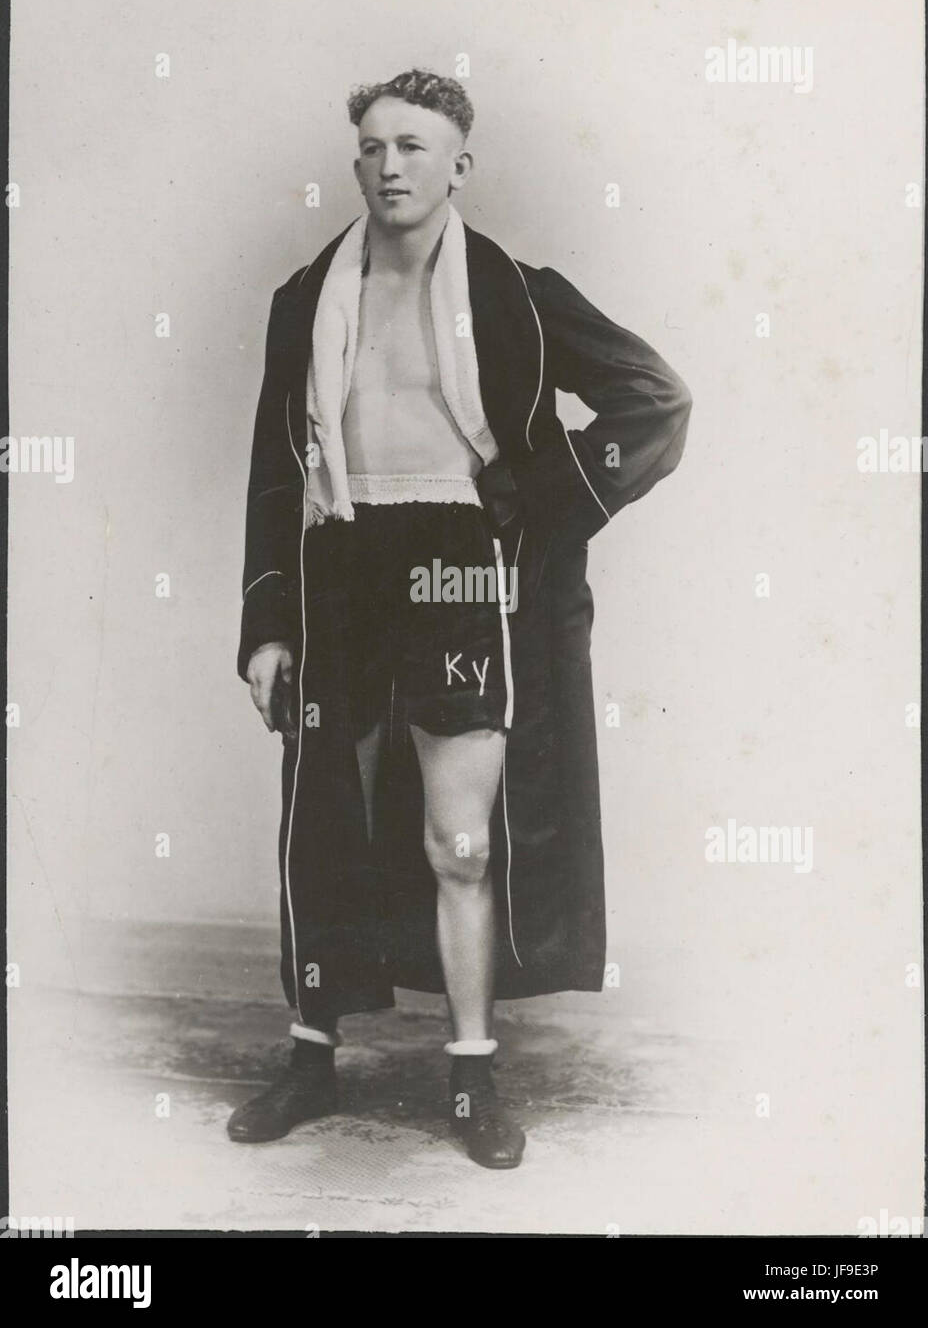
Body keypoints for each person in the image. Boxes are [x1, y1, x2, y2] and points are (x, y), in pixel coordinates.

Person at [228, 69, 692, 1168]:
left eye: (416, 147)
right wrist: (268, 622)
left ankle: (473, 1073)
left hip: (457, 569)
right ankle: (308, 1057)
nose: (391, 165)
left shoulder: (516, 292)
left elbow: (655, 400)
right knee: (323, 821)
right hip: (341, 561)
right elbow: (270, 473)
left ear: (457, 165)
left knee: (461, 836)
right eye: (375, 147)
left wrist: (538, 504)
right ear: (357, 162)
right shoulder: (306, 297)